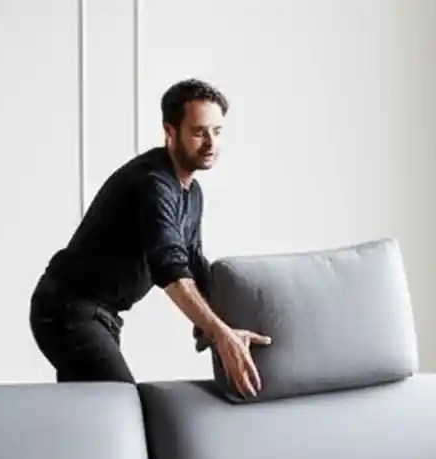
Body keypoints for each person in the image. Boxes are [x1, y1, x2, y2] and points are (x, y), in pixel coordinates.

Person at [29, 79, 271, 397]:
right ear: (170, 132)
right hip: (67, 309)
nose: (211, 143)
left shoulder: (191, 192)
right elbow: (170, 270)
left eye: (217, 131)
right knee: (119, 404)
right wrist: (219, 334)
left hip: (100, 315)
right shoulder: (152, 184)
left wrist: (223, 325)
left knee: (91, 413)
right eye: (199, 132)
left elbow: (193, 263)